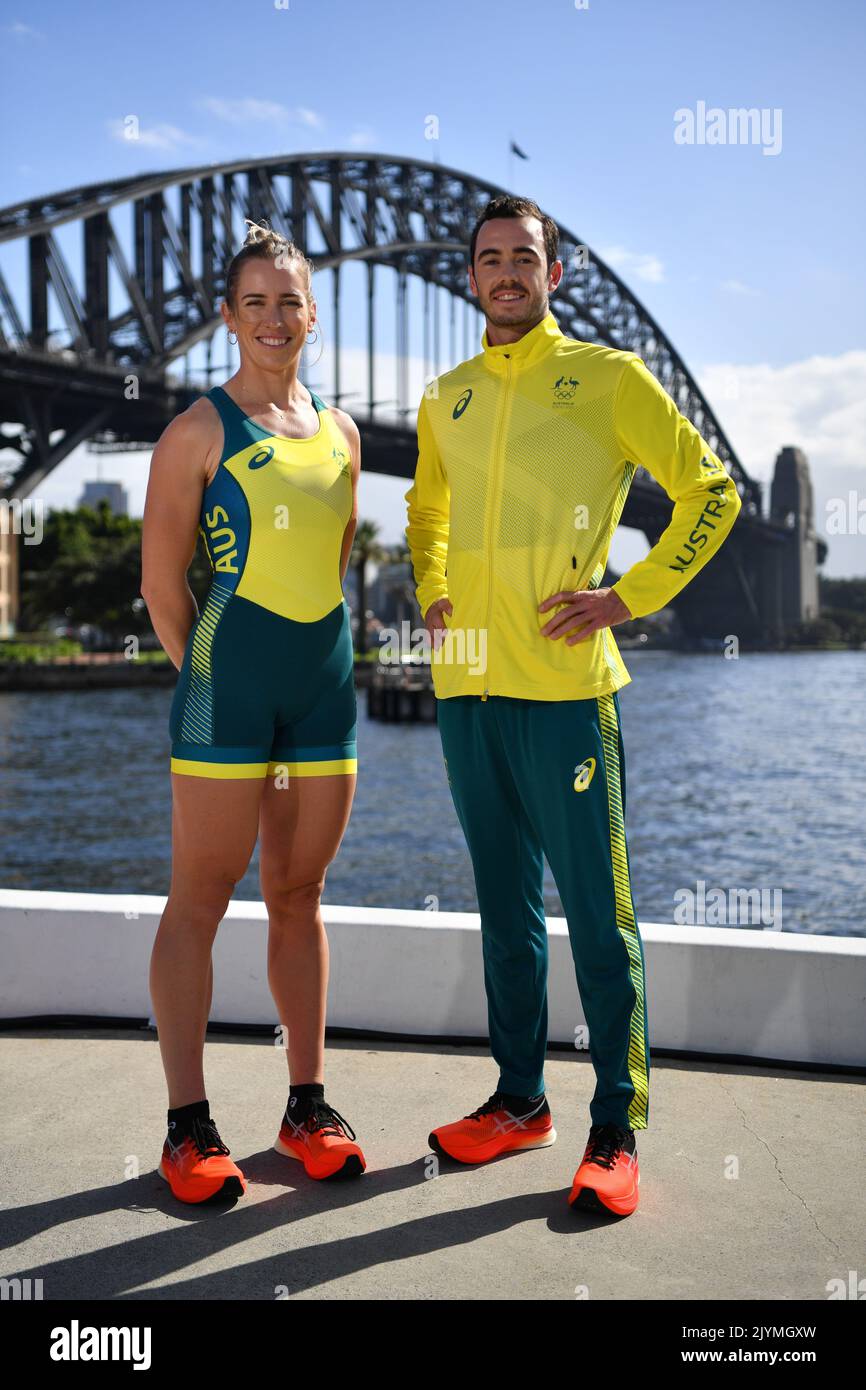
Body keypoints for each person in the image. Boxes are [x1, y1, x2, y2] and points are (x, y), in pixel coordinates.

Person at [404, 194, 742, 1217]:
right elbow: (425, 507)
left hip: (564, 693)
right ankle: (517, 1101)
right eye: (489, 259)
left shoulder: (607, 378)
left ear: (555, 275)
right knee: (502, 913)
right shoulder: (446, 394)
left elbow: (710, 491)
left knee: (599, 918)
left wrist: (625, 597)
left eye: (524, 259)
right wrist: (430, 593)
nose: (506, 274)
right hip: (466, 687)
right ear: (470, 278)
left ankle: (615, 1125)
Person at [140, 221, 365, 1203]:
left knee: (298, 894)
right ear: (227, 316)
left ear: (311, 315)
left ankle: (303, 1104)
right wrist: (207, 681)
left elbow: (336, 558)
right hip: (226, 690)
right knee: (201, 896)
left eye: (290, 300)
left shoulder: (344, 433)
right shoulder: (196, 431)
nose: (274, 317)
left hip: (326, 687)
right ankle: (186, 1125)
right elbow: (160, 583)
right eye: (255, 301)